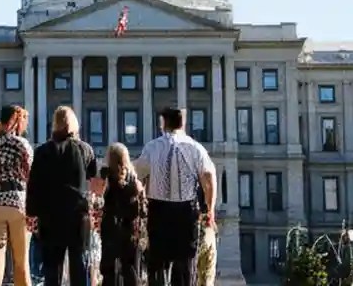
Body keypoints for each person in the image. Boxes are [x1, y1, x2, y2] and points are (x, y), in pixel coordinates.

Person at [134, 107, 216, 286]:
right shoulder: (195, 147)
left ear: (163, 123)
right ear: (183, 123)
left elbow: (136, 175)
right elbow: (209, 177)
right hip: (185, 211)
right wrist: (210, 209)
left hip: (159, 210)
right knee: (185, 267)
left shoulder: (153, 147)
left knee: (157, 265)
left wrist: (140, 200)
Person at [26, 106, 97, 286]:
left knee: (52, 267)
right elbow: (92, 176)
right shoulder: (84, 149)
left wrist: (31, 212)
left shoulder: (42, 152)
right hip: (77, 215)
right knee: (79, 263)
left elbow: (33, 185)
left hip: (50, 215)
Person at [0, 105, 33, 286]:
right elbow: (31, 176)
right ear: (17, 121)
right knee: (21, 263)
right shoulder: (21, 145)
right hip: (17, 204)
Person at [99, 144, 146, 286]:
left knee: (109, 271)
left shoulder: (106, 178)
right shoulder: (134, 183)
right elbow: (142, 209)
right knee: (130, 268)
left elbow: (99, 200)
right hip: (130, 230)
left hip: (110, 228)